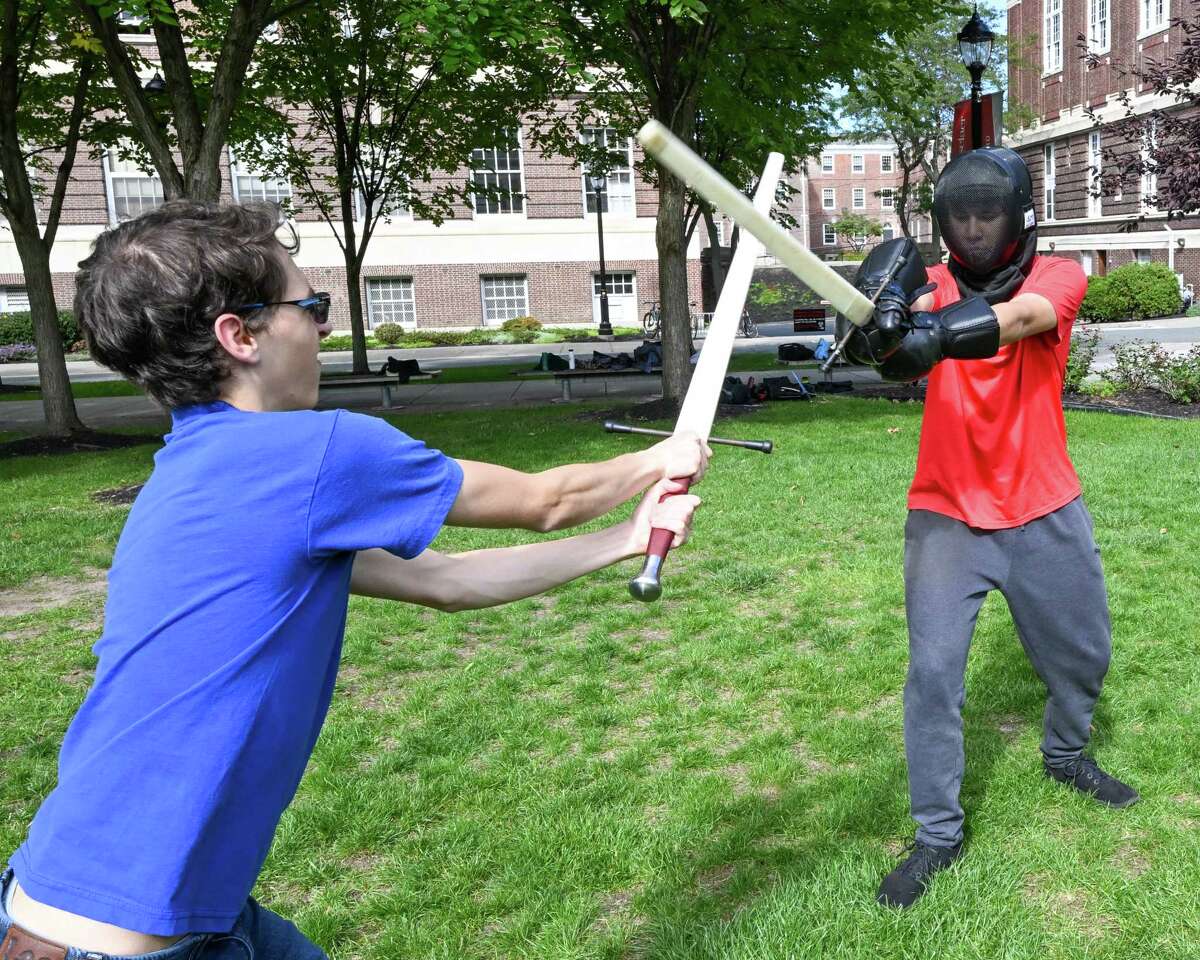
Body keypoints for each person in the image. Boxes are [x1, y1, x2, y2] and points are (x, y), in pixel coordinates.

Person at [0, 200, 709, 960]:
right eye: (311, 307)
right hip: (126, 940)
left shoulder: (199, 476)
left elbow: (447, 582)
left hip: (87, 901)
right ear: (240, 336)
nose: (323, 328)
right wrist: (658, 458)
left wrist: (624, 539)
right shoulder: (315, 454)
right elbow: (546, 502)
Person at [849, 148, 1138, 910]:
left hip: (1044, 505)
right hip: (946, 513)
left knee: (1084, 655)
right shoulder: (933, 287)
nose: (974, 228)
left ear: (1019, 217)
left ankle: (1065, 754)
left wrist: (936, 335)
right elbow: (893, 342)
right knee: (933, 677)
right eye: (961, 215)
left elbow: (1021, 319)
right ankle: (937, 834)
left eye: (989, 213)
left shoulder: (1059, 276)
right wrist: (881, 328)